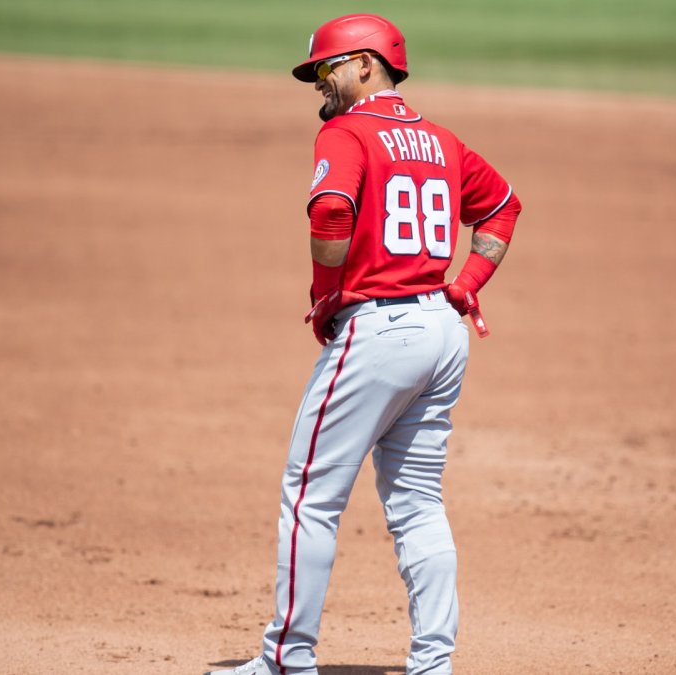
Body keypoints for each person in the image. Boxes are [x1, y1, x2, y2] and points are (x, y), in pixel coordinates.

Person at [207, 13, 522, 675]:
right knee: (418, 500)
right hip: (441, 332)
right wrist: (466, 283)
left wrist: (325, 295)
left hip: (381, 332)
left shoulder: (346, 132)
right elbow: (502, 208)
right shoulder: (441, 140)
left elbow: (330, 213)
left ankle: (287, 659)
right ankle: (433, 664)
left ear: (365, 65)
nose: (318, 82)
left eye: (326, 68)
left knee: (311, 495)